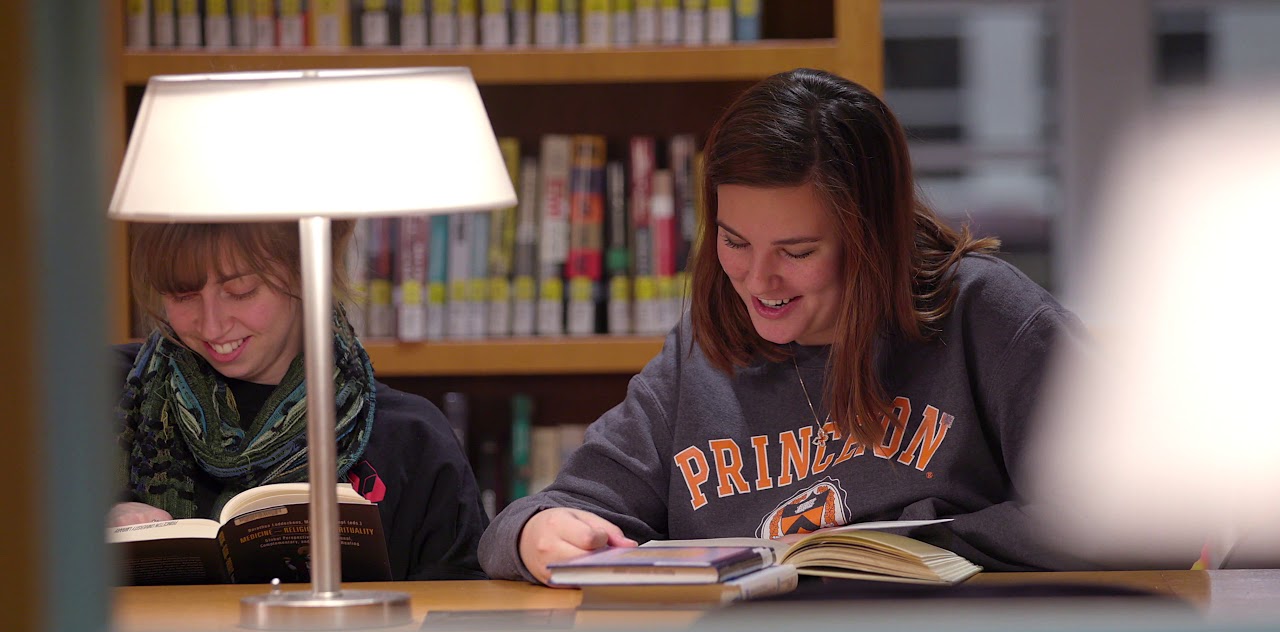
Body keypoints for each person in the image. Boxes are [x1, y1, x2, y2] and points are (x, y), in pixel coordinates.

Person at [479, 68, 1089, 585]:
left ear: (872, 238)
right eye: (734, 241)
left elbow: (1138, 508)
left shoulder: (984, 313)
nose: (758, 281)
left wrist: (939, 545)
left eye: (797, 252)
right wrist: (537, 534)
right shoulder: (702, 349)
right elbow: (540, 518)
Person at [111, 220, 488, 581]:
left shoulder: (412, 439)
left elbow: (459, 614)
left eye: (241, 291)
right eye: (182, 295)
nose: (211, 325)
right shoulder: (101, 391)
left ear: (307, 272)